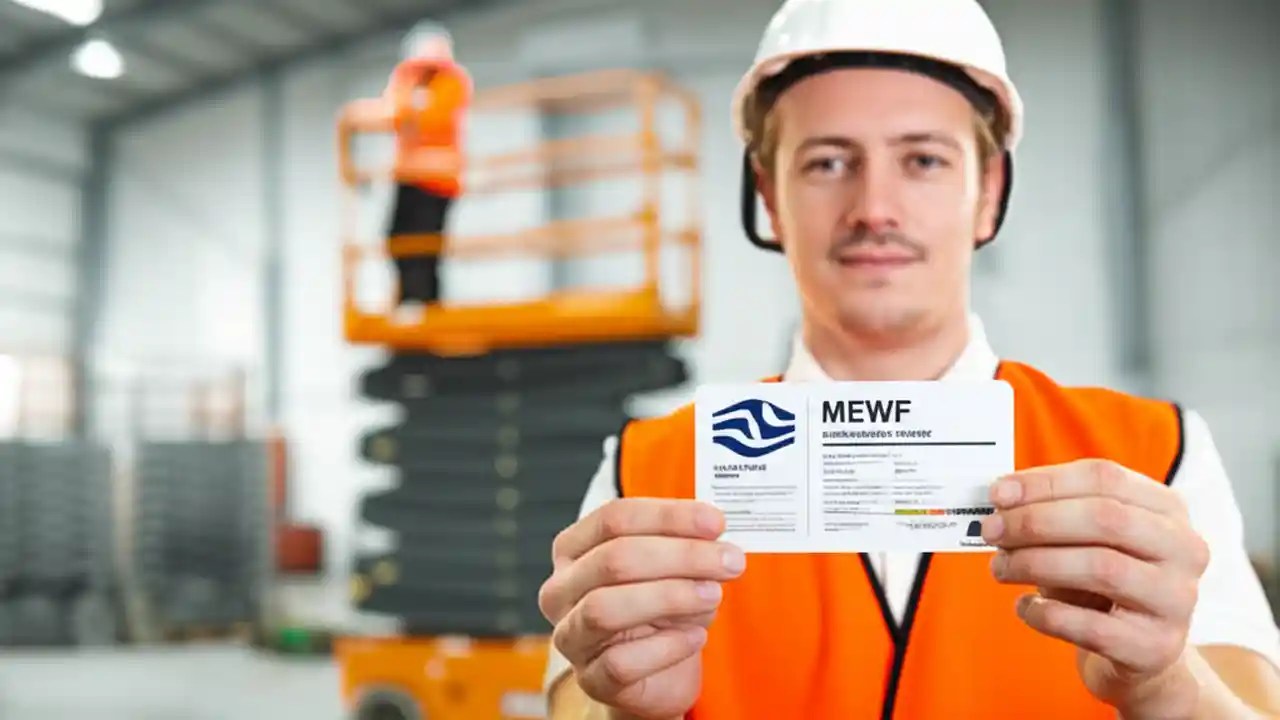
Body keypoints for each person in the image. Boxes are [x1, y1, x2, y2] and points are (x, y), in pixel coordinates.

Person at [536, 0, 1280, 718]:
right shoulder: (648, 474)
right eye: (828, 163)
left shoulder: (1156, 458)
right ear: (768, 195)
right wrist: (624, 717)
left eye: (923, 159)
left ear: (988, 193)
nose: (875, 208)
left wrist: (1167, 690)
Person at [383, 20, 472, 310]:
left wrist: (413, 109)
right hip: (409, 176)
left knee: (426, 246)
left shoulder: (453, 82)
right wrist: (413, 108)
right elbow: (394, 113)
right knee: (397, 238)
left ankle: (425, 303)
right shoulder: (406, 78)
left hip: (438, 180)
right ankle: (410, 298)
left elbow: (433, 119)